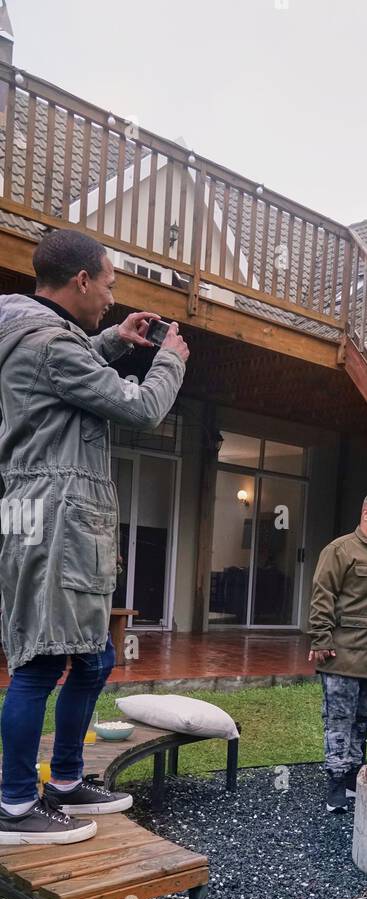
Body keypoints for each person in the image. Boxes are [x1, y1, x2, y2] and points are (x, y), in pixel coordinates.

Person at [0, 230, 188, 846]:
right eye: (108, 282)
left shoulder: (43, 336)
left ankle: (67, 779)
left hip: (52, 514)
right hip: (54, 516)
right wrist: (169, 360)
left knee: (95, 656)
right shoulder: (51, 342)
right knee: (41, 661)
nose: (111, 296)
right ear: (82, 279)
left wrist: (112, 340)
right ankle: (16, 802)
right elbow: (139, 408)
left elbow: (70, 372)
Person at [308, 491, 367, 813]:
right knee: (338, 720)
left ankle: (354, 781)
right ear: (365, 513)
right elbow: (323, 595)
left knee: (361, 722)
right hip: (342, 656)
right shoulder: (340, 550)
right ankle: (335, 788)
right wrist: (320, 639)